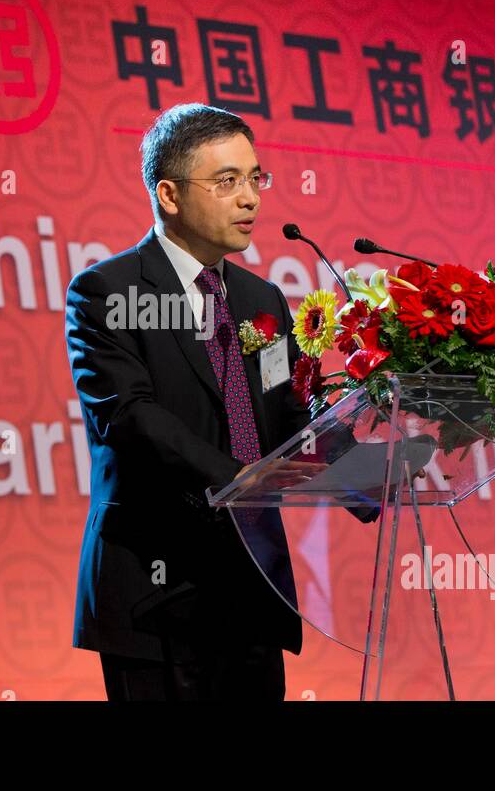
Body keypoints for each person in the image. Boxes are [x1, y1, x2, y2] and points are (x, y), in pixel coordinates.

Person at [65, 103, 370, 701]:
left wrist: (366, 473)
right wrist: (240, 480)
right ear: (170, 195)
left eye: (256, 178)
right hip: (158, 592)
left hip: (253, 586)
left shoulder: (263, 298)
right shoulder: (107, 292)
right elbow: (129, 416)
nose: (251, 198)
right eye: (228, 182)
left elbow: (290, 413)